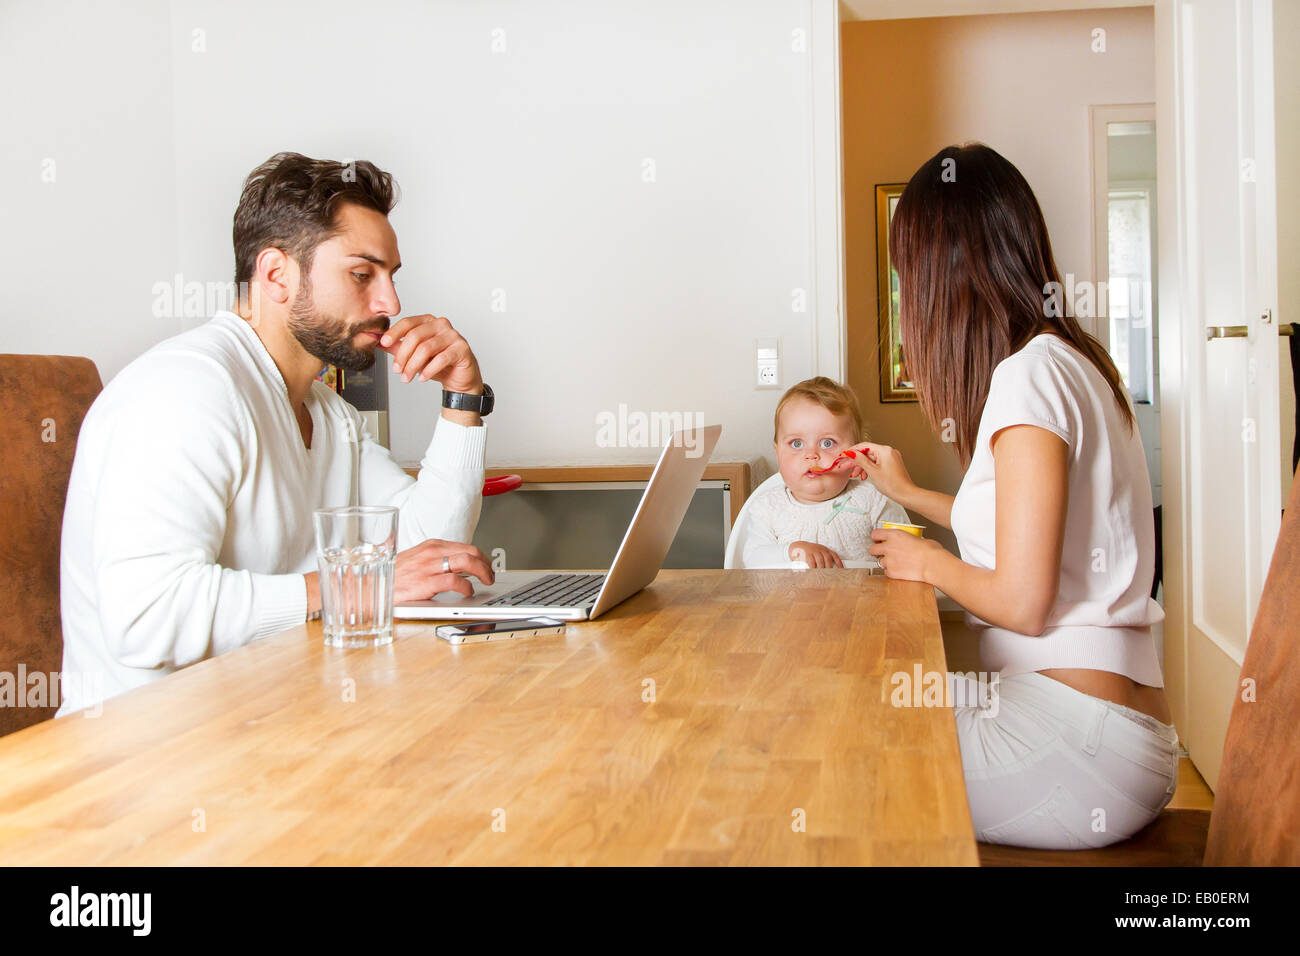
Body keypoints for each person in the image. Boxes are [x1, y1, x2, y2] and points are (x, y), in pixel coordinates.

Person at [57, 152, 496, 715]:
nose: (390, 304)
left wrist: (462, 398)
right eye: (363, 275)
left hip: (269, 733)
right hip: (144, 770)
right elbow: (147, 618)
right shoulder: (185, 390)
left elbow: (430, 556)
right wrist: (349, 588)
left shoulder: (327, 411)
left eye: (390, 277)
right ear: (275, 275)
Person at [844, 143, 1179, 849]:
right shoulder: (1072, 361)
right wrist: (907, 493)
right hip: (1111, 729)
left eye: (910, 275)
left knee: (846, 759)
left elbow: (1022, 602)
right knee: (867, 707)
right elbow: (1027, 527)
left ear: (945, 275)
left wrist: (927, 564)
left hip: (1080, 742)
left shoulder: (1027, 379)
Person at [739, 377, 908, 569]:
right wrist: (792, 551)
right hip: (790, 599)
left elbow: (908, 555)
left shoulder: (874, 501)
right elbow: (752, 559)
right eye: (796, 444)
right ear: (778, 454)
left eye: (827, 443)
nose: (811, 455)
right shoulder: (767, 508)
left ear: (856, 452)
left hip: (863, 598)